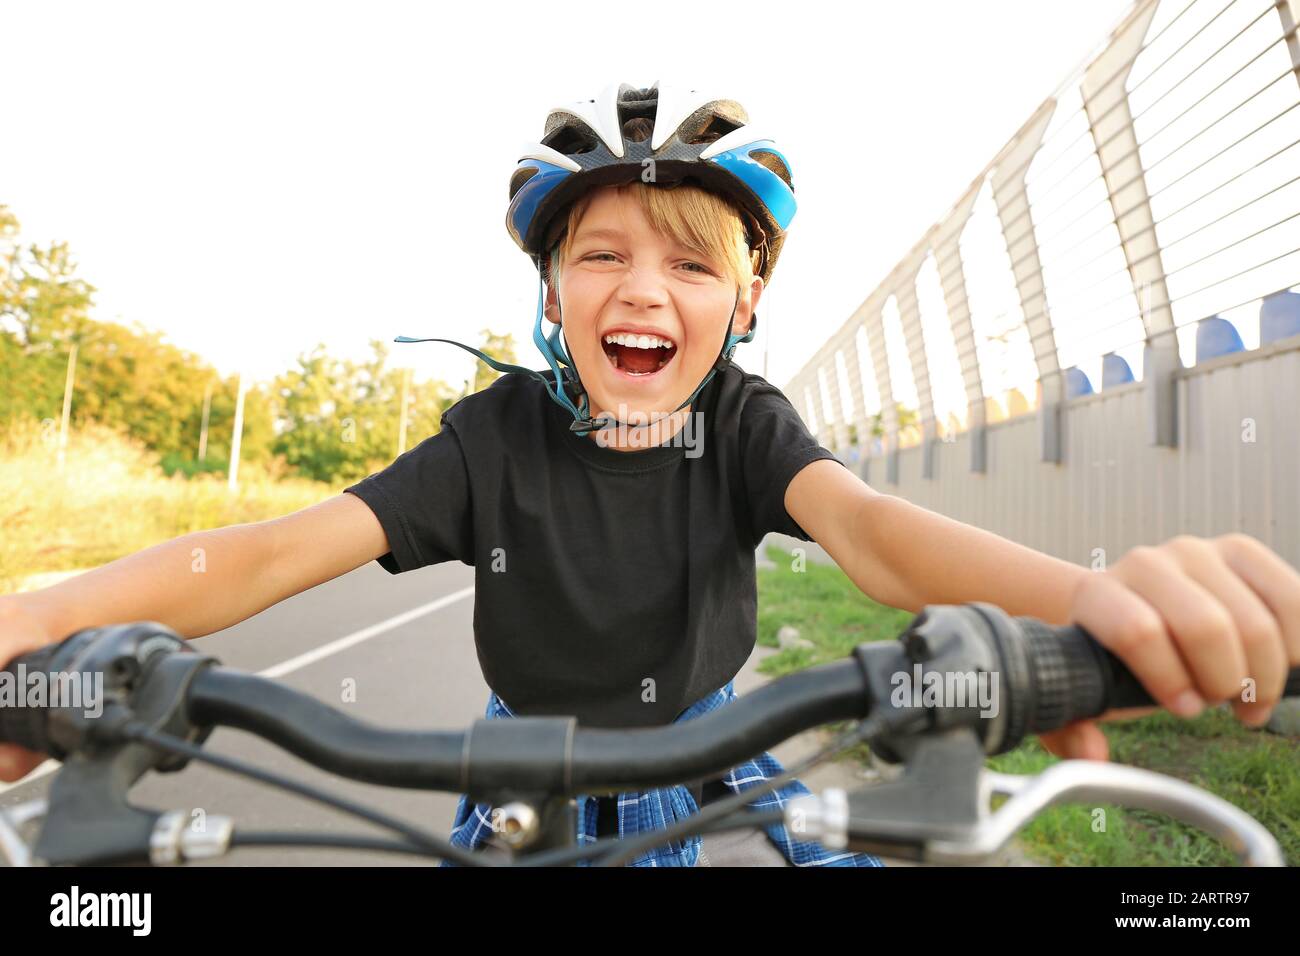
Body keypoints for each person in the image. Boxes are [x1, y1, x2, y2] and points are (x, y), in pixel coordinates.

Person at [2, 82, 1297, 868]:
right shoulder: (489, 438)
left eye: (689, 262)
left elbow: (874, 535)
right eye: (601, 254)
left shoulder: (742, 423)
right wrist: (53, 611)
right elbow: (273, 550)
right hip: (522, 761)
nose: (641, 287)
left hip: (718, 746)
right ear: (553, 295)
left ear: (743, 301)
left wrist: (1096, 597)